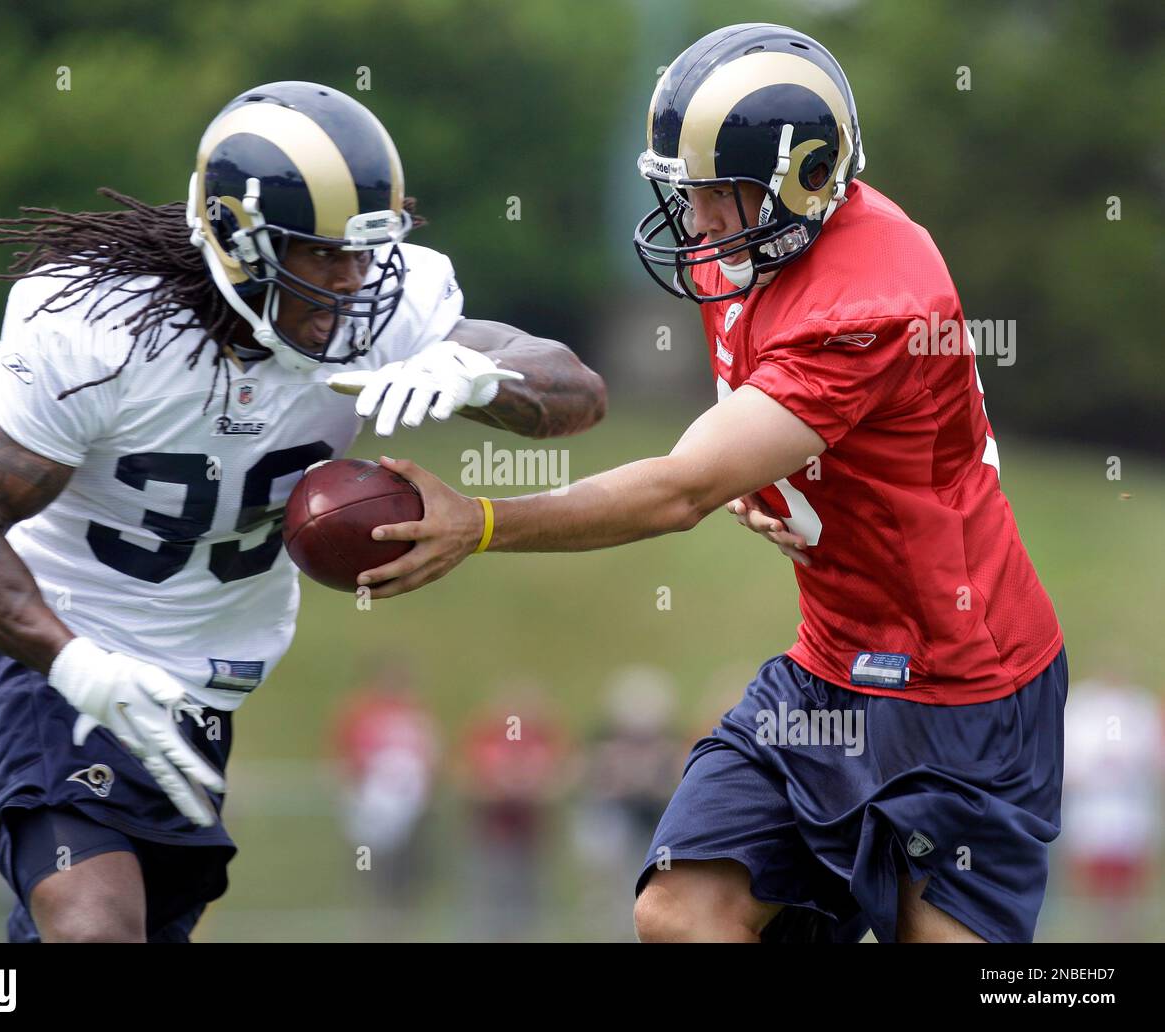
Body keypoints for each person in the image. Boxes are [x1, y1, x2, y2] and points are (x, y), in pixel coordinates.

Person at [356, 24, 1066, 943]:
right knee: (681, 913)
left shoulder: (872, 299)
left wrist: (482, 520)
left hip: (963, 691)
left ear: (804, 182)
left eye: (716, 197)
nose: (696, 221)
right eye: (685, 193)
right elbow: (768, 443)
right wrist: (774, 480)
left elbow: (678, 490)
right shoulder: (760, 248)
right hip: (830, 667)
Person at [0, 81, 606, 943]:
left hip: (201, 679)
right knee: (92, 928)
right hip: (48, 642)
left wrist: (483, 375)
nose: (354, 283)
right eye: (321, 256)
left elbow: (581, 395)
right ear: (238, 244)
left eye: (367, 253)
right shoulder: (99, 330)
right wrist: (75, 664)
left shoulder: (388, 309)